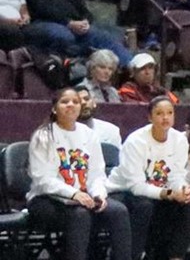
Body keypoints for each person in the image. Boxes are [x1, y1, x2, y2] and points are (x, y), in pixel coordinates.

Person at [28, 88, 132, 260]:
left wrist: (99, 195)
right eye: (65, 102)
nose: (71, 105)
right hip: (46, 199)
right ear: (54, 108)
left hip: (84, 198)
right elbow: (43, 180)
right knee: (80, 215)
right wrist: (74, 194)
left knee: (118, 211)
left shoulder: (89, 135)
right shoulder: (43, 136)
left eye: (75, 102)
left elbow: (97, 174)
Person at [110, 96, 190, 260]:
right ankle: (135, 255)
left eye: (170, 113)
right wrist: (168, 193)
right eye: (159, 113)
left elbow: (176, 175)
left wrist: (183, 189)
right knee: (144, 205)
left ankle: (175, 256)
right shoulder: (136, 141)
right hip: (123, 191)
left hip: (158, 191)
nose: (165, 118)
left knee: (187, 205)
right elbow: (136, 186)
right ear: (150, 117)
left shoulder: (179, 139)